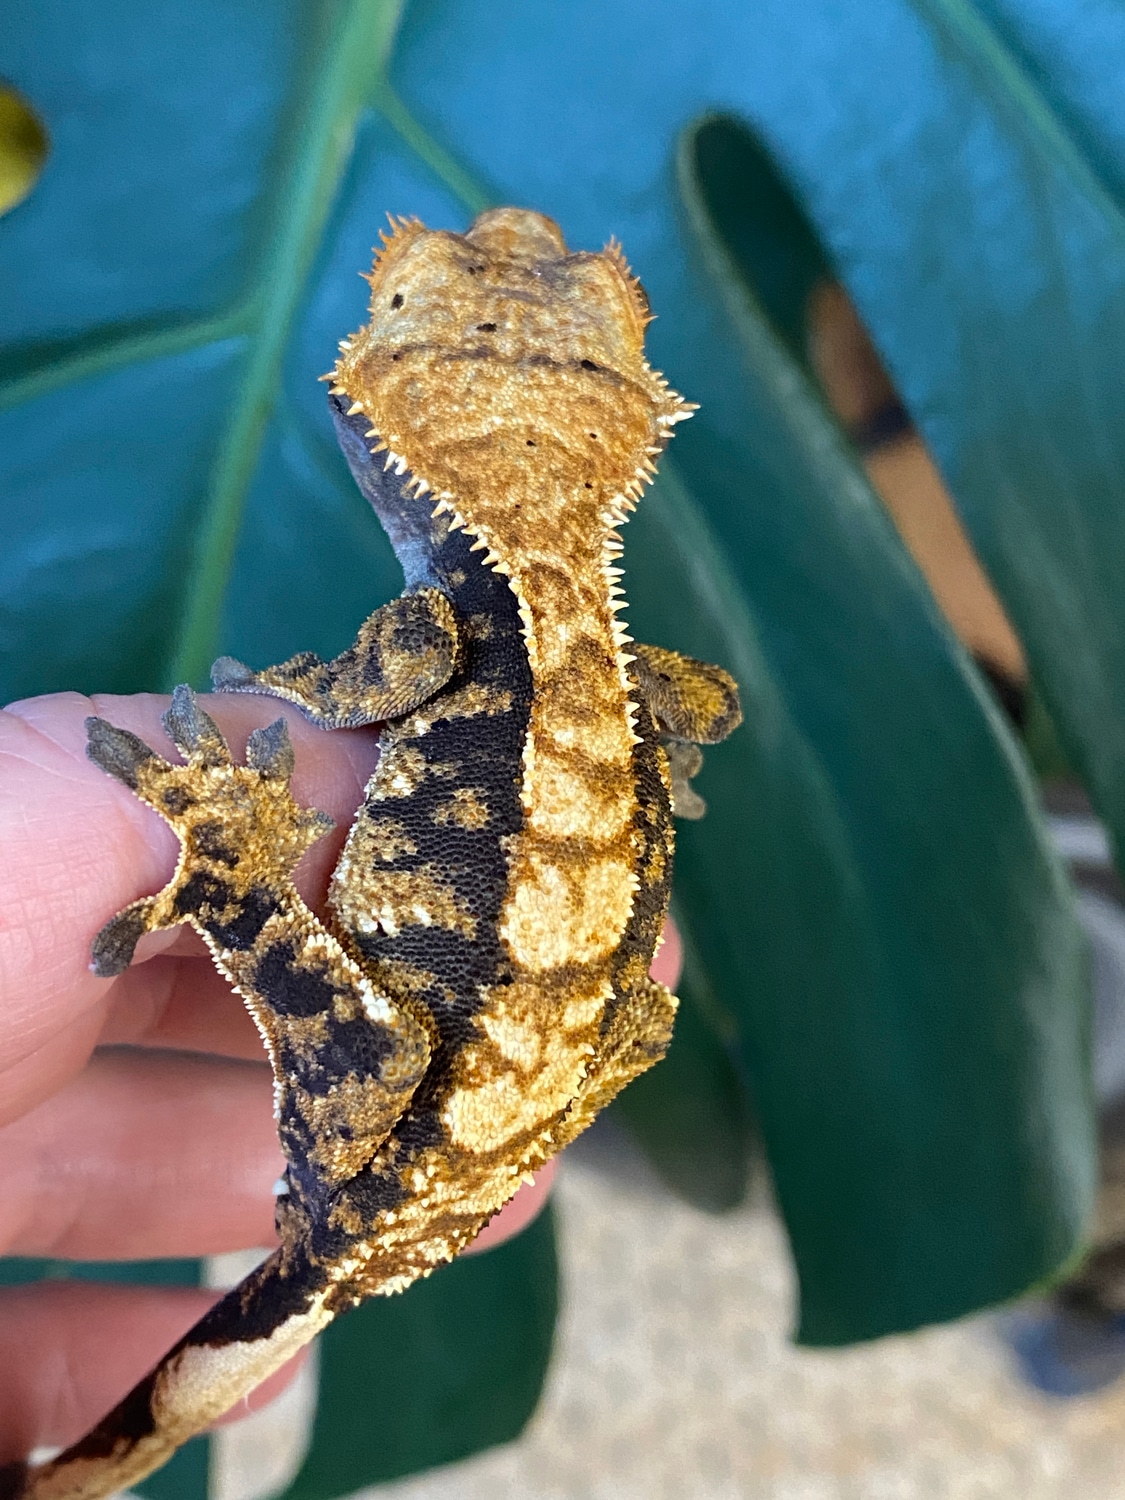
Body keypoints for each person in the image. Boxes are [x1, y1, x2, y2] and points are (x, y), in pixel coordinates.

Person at [0, 689, 570, 1461]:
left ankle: (231, 884)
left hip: (411, 1143)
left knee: (387, 1060)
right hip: (436, 1132)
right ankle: (233, 883)